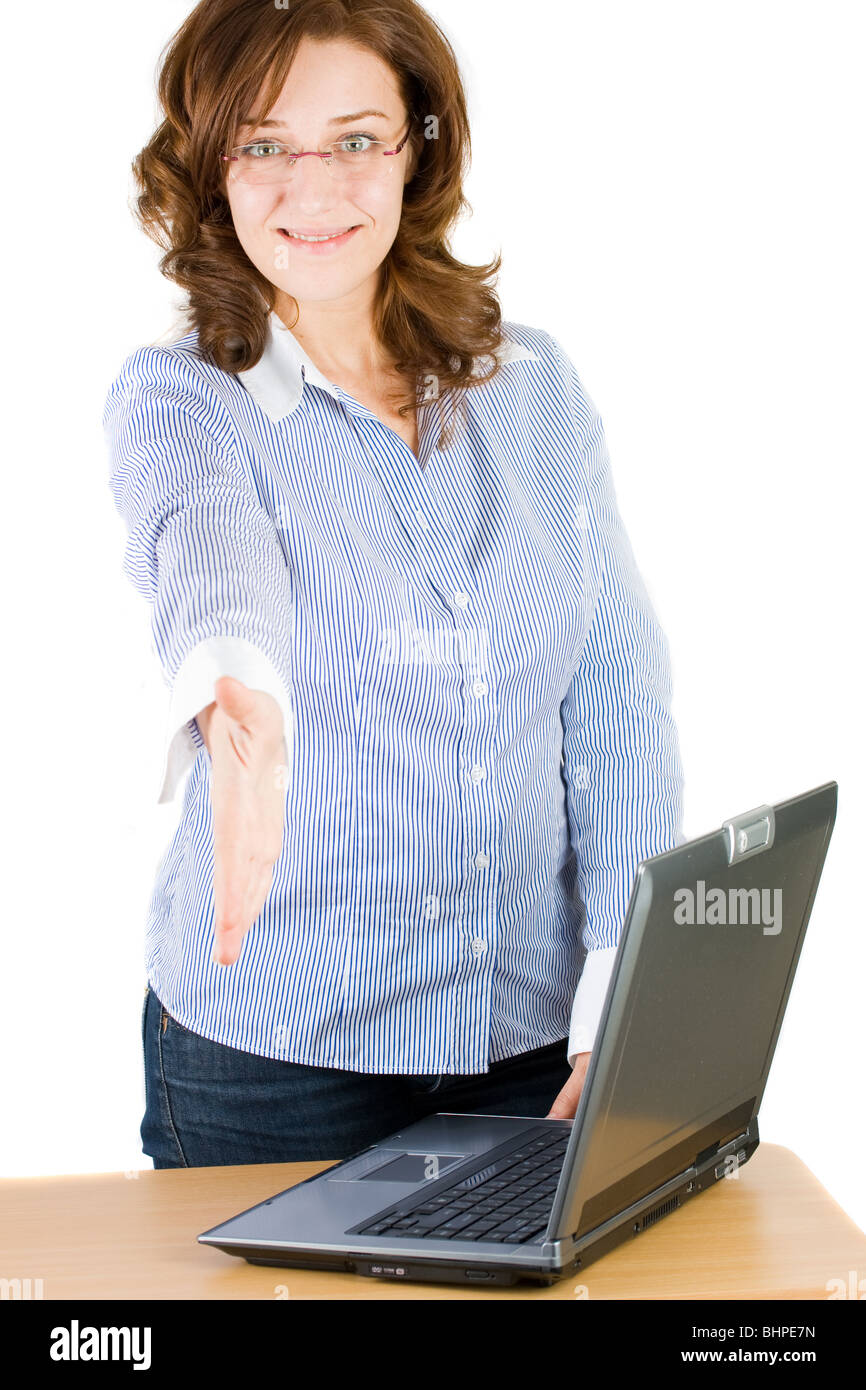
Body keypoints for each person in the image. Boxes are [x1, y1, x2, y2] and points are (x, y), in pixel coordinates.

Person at [104, 0, 684, 1168]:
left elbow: (616, 697)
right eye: (262, 144)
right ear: (209, 165)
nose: (310, 189)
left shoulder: (532, 388)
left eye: (355, 138)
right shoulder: (183, 397)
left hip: (529, 1046)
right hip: (270, 1061)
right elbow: (203, 546)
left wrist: (630, 985)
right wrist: (239, 691)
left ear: (417, 149)